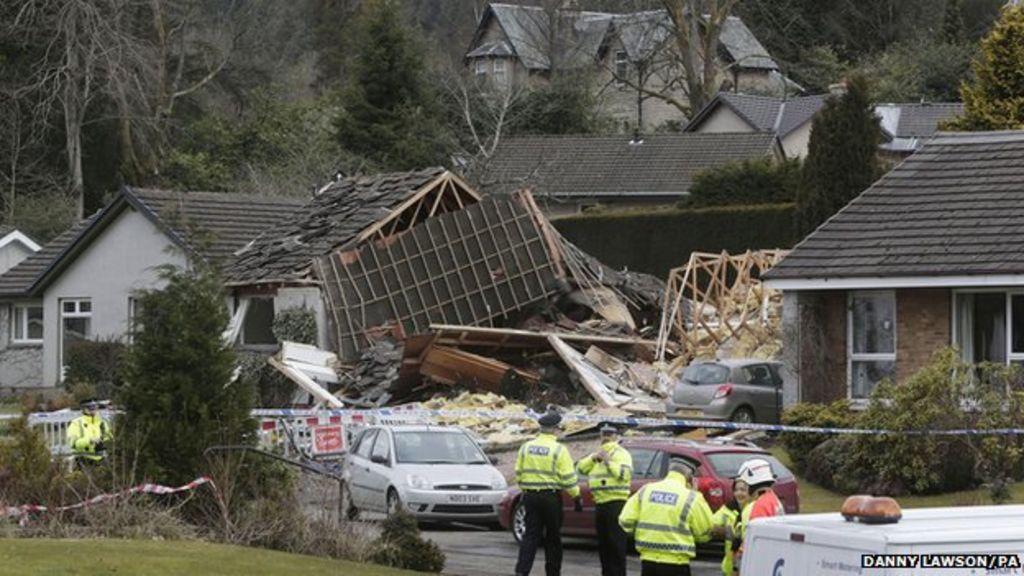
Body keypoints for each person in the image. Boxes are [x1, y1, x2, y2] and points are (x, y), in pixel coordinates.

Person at [619, 458, 713, 576]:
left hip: (648, 563)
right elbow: (705, 532)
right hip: (677, 564)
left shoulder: (646, 490)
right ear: (690, 477)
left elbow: (625, 521)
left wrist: (639, 532)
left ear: (669, 471)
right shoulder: (691, 497)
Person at [514, 411, 581, 576]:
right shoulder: (559, 450)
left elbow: (518, 472)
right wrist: (576, 496)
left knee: (530, 536)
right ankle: (552, 572)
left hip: (530, 496)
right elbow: (568, 478)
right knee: (553, 538)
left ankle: (522, 571)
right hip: (550, 498)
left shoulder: (526, 447)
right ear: (556, 429)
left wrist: (526, 489)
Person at [576, 424, 632, 576]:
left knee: (616, 547)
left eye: (609, 434)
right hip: (600, 504)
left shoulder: (621, 453)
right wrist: (594, 458)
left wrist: (608, 462)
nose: (606, 437)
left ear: (616, 436)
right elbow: (580, 468)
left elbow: (624, 475)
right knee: (604, 547)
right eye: (603, 434)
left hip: (616, 504)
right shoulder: (596, 454)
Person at [733, 458, 783, 572]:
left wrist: (737, 567)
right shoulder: (772, 499)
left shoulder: (759, 506)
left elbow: (752, 542)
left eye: (745, 485)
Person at [711, 479, 751, 575]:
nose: (739, 493)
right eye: (736, 490)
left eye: (743, 490)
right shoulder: (727, 509)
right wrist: (725, 531)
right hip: (728, 569)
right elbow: (709, 524)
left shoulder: (753, 509)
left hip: (745, 568)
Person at [66, 399, 112, 467]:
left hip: (101, 459)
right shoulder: (77, 423)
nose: (93, 411)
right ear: (83, 409)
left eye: (95, 408)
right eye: (90, 408)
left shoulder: (102, 422)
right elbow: (73, 443)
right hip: (83, 460)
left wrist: (103, 442)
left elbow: (109, 437)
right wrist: (89, 440)